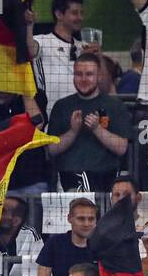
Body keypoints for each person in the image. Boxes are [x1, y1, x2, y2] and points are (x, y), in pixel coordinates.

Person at [45, 53, 131, 191]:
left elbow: (122, 148)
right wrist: (73, 131)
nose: (84, 79)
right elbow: (52, 149)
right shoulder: (61, 106)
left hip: (106, 179)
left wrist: (97, 129)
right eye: (79, 74)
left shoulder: (115, 105)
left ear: (99, 77)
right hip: (70, 180)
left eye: (89, 74)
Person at [30, 0, 95, 108]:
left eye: (81, 13)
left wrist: (97, 57)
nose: (80, 18)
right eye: (75, 13)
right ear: (59, 14)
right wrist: (29, 25)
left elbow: (102, 84)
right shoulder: (42, 42)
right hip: (53, 117)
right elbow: (29, 50)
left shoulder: (85, 47)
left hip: (83, 116)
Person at [35, 197, 98, 276]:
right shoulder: (55, 243)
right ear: (70, 218)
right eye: (81, 219)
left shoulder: (101, 246)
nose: (86, 223)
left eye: (91, 219)